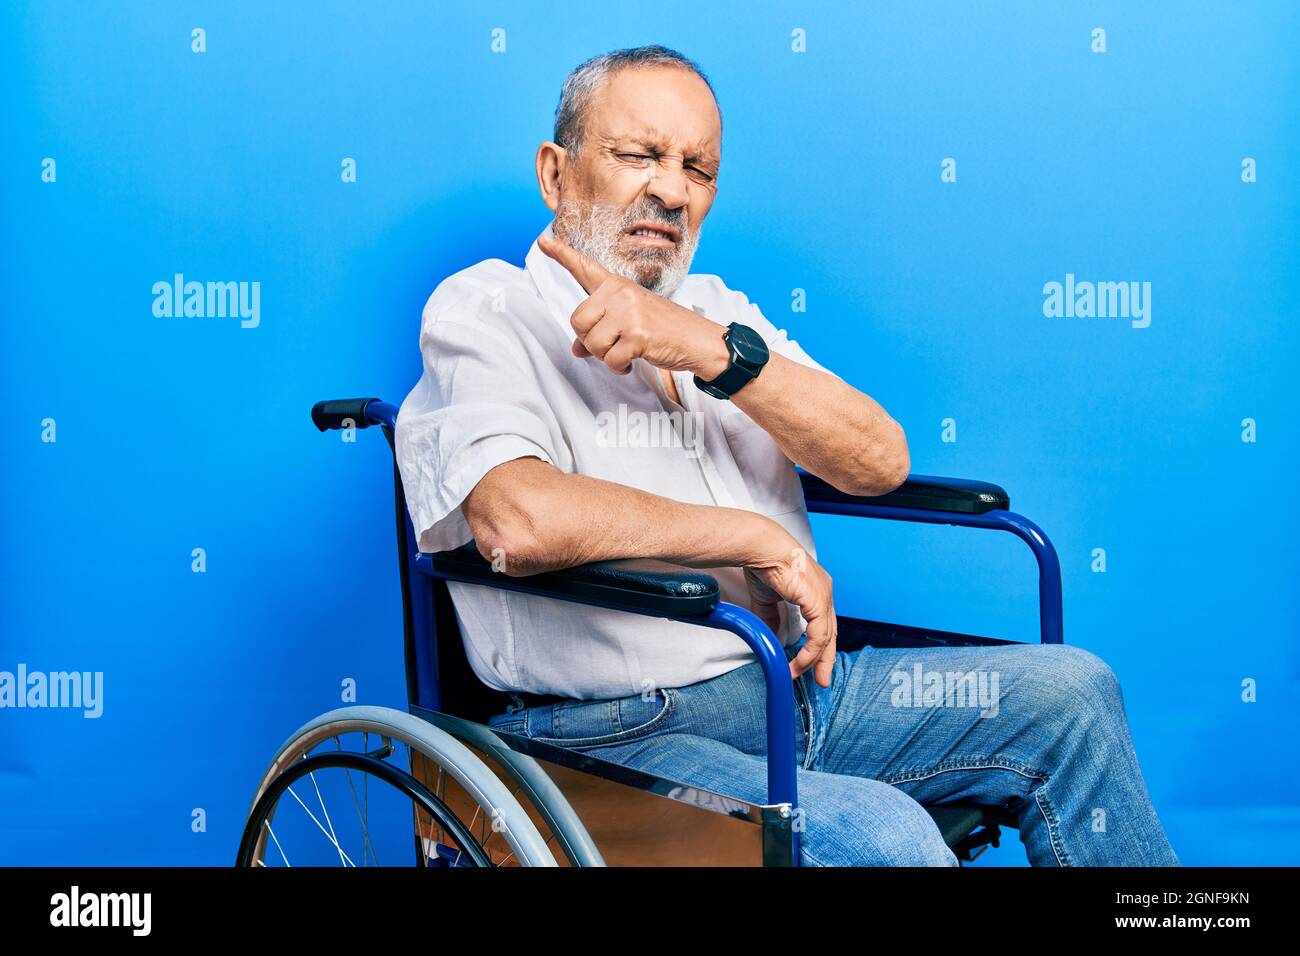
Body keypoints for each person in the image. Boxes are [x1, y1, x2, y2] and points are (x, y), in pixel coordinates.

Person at [395, 45, 1179, 866]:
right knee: (887, 837)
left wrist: (711, 349)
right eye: (639, 155)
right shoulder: (487, 308)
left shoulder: (716, 310)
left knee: (1074, 694)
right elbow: (516, 519)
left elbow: (877, 460)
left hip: (802, 693)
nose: (670, 187)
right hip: (621, 734)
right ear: (556, 174)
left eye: (698, 168)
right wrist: (752, 536)